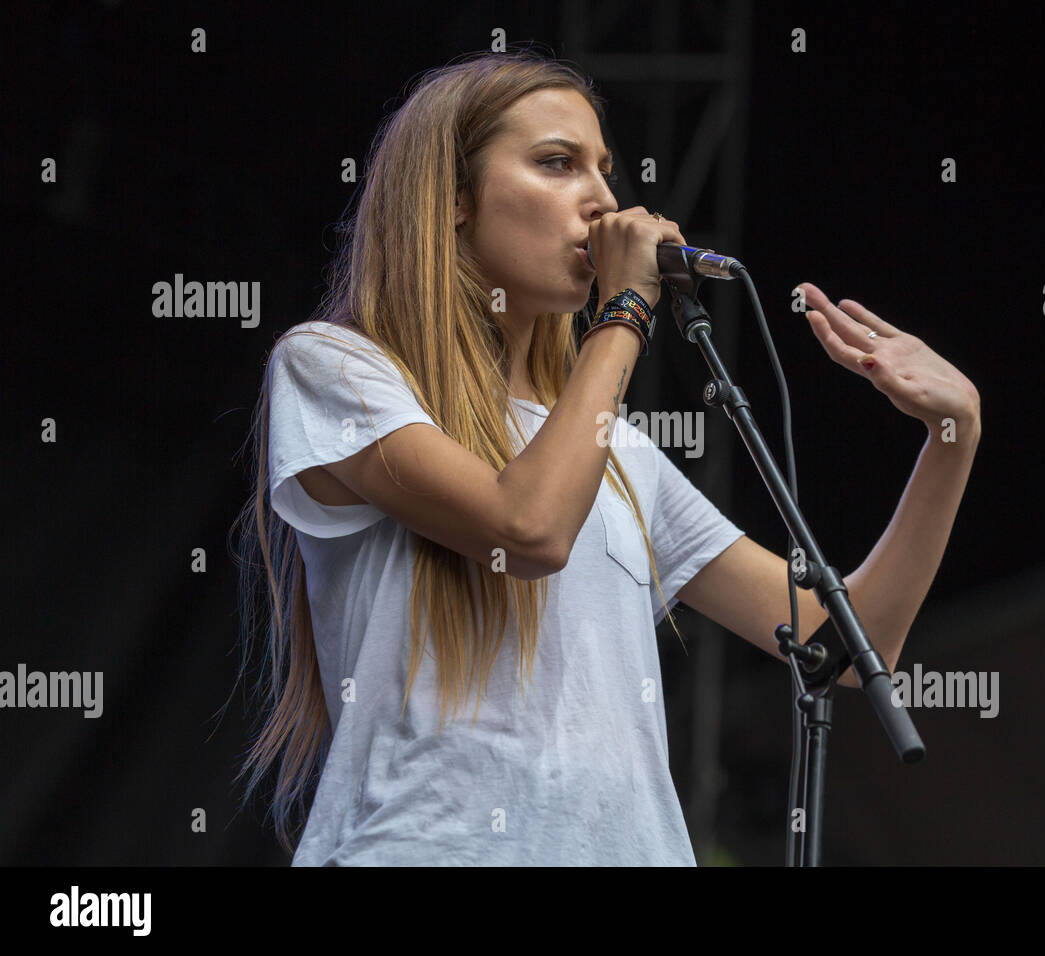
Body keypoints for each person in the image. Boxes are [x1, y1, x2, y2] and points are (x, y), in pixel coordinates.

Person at [229, 51, 981, 867]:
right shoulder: (334, 369)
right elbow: (528, 528)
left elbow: (844, 644)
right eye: (557, 164)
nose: (603, 200)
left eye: (604, 169)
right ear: (449, 200)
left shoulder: (621, 458)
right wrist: (625, 310)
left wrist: (954, 437)